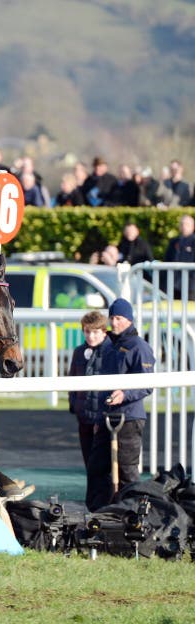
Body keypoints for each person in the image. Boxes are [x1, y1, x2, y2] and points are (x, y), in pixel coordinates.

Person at [86, 298, 155, 511]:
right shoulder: (110, 347)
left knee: (127, 471)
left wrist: (124, 394)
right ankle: (98, 513)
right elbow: (103, 386)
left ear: (129, 320)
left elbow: (148, 384)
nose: (114, 323)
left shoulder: (139, 347)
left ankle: (130, 514)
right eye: (112, 318)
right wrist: (99, 418)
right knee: (97, 467)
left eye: (119, 318)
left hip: (129, 418)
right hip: (106, 418)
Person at [68, 311, 114, 468]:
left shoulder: (112, 351)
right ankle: (93, 493)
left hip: (104, 419)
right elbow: (72, 380)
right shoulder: (79, 352)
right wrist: (75, 406)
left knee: (105, 465)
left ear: (104, 332)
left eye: (95, 332)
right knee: (89, 464)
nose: (91, 336)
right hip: (84, 417)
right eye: (87, 331)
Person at [163, 213, 195, 298]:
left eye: (187, 224)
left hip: (190, 285)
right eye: (182, 224)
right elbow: (167, 260)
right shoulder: (174, 241)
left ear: (193, 226)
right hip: (173, 283)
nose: (184, 226)